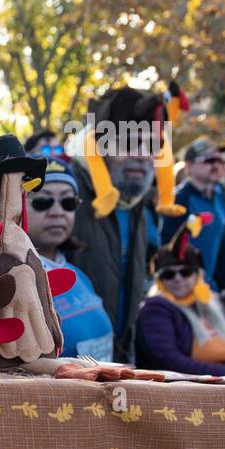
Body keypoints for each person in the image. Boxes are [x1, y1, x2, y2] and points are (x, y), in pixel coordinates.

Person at [67, 85, 180, 362]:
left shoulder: (138, 202)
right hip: (63, 370)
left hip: (116, 362)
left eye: (152, 145)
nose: (142, 154)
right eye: (129, 142)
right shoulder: (63, 195)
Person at [137, 215, 225, 380]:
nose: (178, 278)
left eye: (185, 272)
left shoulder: (206, 299)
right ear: (160, 280)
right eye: (168, 274)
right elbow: (168, 359)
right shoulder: (156, 308)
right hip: (204, 384)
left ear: (197, 275)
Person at [22, 158, 113, 360]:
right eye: (42, 201)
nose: (57, 212)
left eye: (67, 202)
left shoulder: (78, 274)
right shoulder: (7, 280)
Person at [160, 139, 225, 293]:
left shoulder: (219, 195)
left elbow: (221, 246)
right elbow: (167, 249)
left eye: (220, 160)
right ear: (189, 166)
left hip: (208, 288)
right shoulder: (178, 200)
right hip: (182, 289)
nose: (216, 165)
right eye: (209, 160)